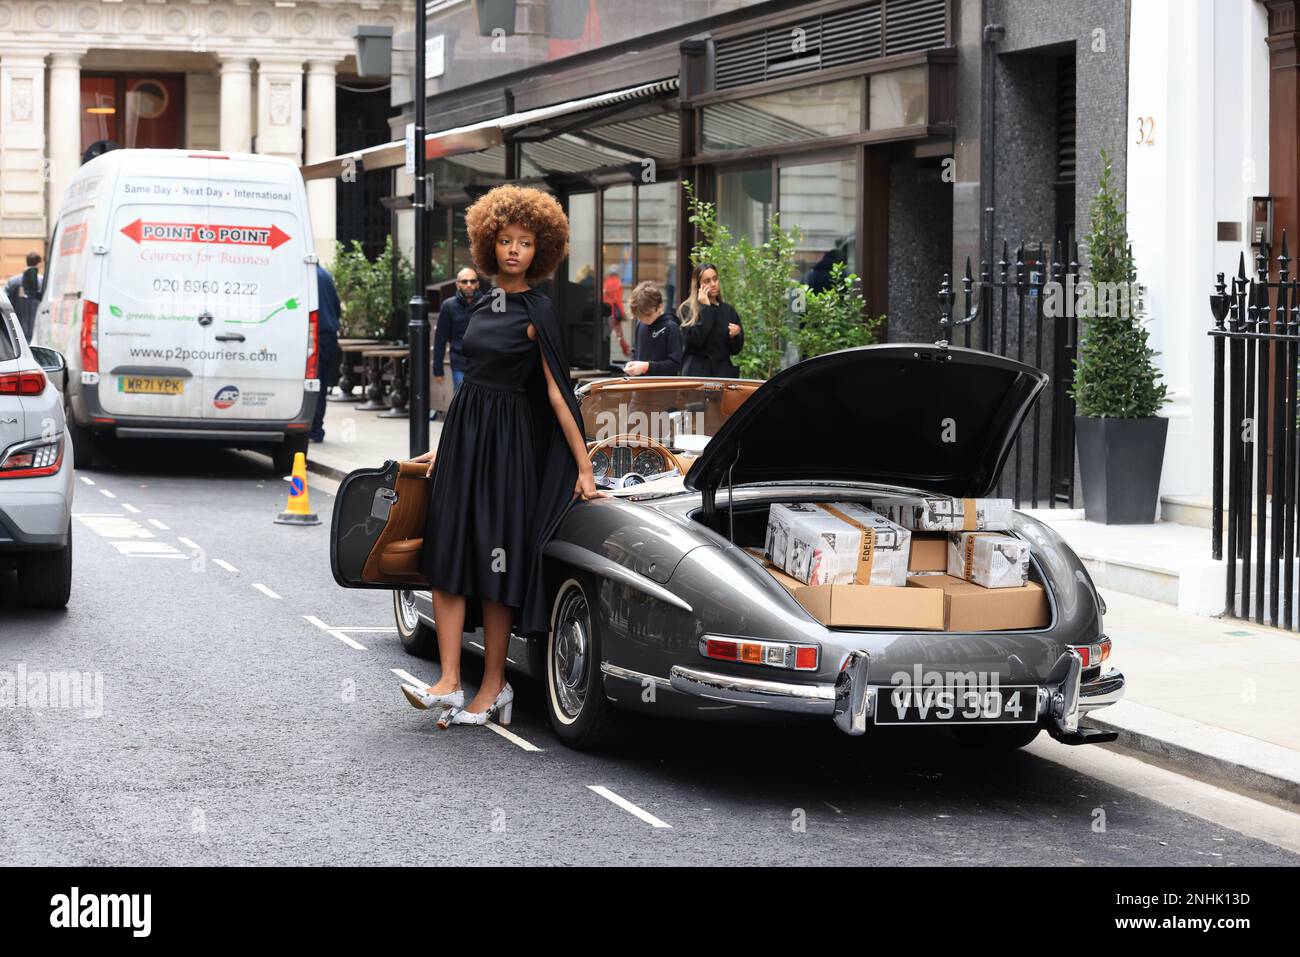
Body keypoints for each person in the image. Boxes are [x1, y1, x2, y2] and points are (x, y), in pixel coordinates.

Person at [402, 185, 608, 727]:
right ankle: (450, 681)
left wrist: (583, 466)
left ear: (541, 251)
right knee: (447, 557)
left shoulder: (539, 310)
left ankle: (494, 687)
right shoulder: (479, 304)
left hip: (508, 449)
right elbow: (472, 383)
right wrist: (445, 445)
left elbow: (558, 395)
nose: (514, 250)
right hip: (465, 440)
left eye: (525, 242)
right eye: (506, 240)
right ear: (488, 243)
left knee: (497, 564)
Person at [678, 262, 744, 377]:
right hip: (697, 374)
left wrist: (735, 336)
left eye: (715, 279)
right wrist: (706, 308)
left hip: (722, 374)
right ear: (698, 285)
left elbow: (735, 351)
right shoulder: (687, 309)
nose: (713, 284)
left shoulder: (728, 310)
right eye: (707, 281)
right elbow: (696, 340)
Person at [433, 267, 482, 393]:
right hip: (459, 363)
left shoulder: (486, 304)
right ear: (457, 284)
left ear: (478, 284)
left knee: (481, 401)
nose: (469, 285)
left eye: (472, 281)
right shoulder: (448, 306)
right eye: (464, 282)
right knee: (462, 399)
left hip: (483, 364)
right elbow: (440, 339)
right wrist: (438, 369)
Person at [309, 263, 341, 442]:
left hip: (315, 336)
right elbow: (337, 308)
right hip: (328, 336)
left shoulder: (306, 275)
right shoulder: (325, 275)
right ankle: (316, 428)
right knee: (320, 385)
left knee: (313, 384)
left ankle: (313, 428)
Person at [623, 281, 682, 376]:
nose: (644, 319)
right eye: (639, 316)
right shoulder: (640, 325)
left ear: (660, 307)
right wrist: (631, 365)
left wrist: (647, 367)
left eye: (648, 315)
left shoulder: (671, 327)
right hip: (640, 382)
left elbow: (675, 365)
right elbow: (635, 352)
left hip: (662, 384)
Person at [5, 252, 43, 342]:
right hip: (35, 328)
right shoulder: (42, 282)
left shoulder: (13, 281)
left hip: (16, 328)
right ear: (39, 264)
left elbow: (5, 303)